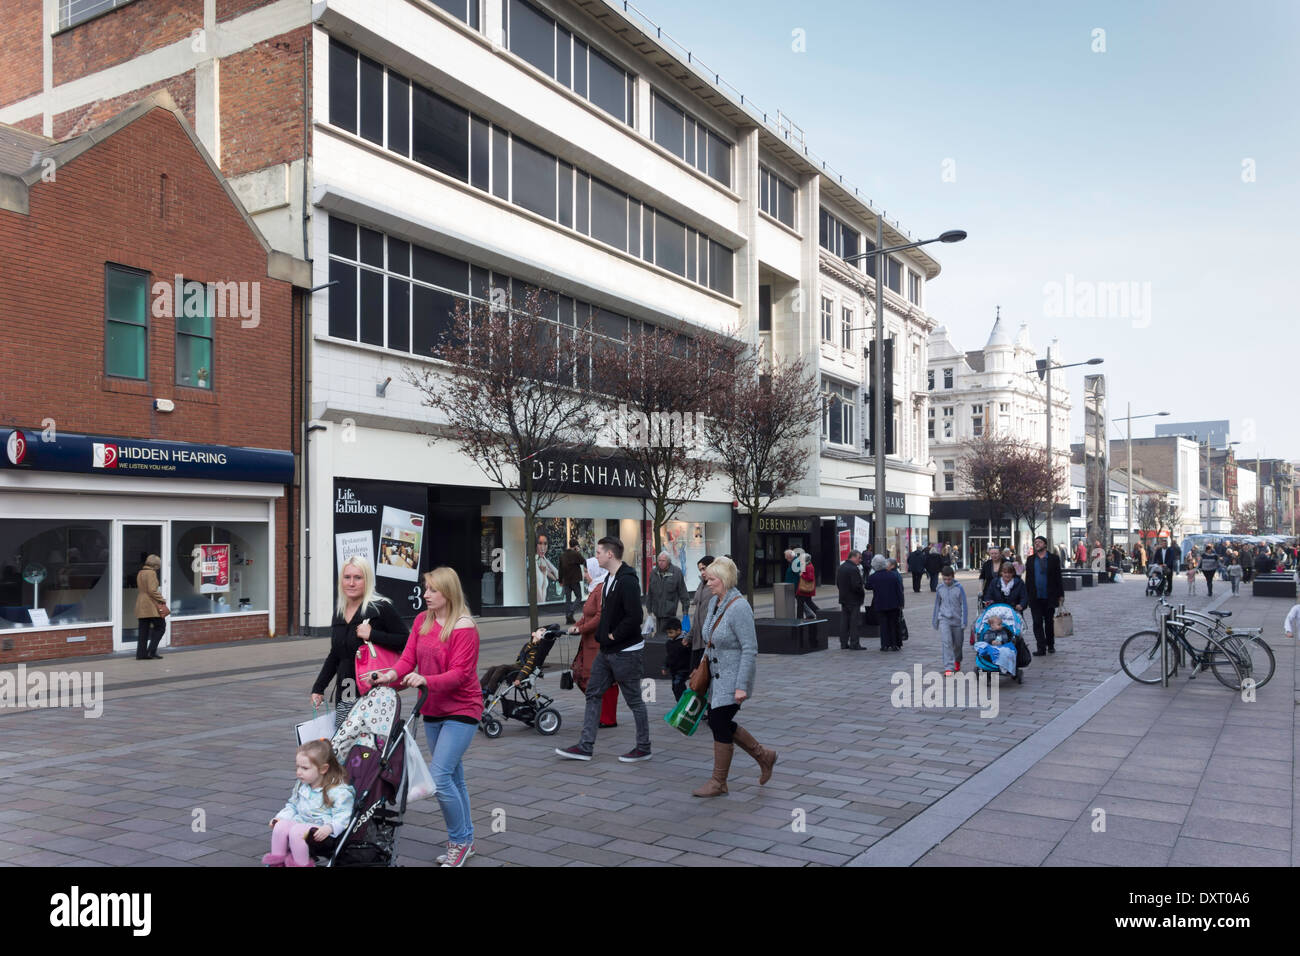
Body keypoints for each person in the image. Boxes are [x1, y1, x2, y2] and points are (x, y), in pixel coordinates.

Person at [369, 566, 482, 868]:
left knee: (439, 778)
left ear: (448, 592)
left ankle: (458, 841)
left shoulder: (464, 627)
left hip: (462, 709)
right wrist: (390, 674)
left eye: (432, 589)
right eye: (425, 588)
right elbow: (407, 659)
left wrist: (425, 681)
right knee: (454, 778)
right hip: (432, 709)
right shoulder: (422, 620)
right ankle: (466, 839)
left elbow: (460, 675)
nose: (426, 594)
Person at [556, 536, 652, 763]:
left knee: (634, 700)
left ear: (610, 554)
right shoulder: (608, 579)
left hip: (626, 651)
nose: (595, 556)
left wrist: (613, 635)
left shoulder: (627, 580)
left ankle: (643, 747)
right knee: (593, 693)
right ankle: (585, 746)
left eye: (599, 552)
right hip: (607, 651)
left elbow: (635, 616)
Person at [691, 556, 776, 797]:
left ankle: (719, 782)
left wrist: (741, 686)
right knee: (721, 723)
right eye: (707, 578)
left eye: (712, 579)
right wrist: (699, 669)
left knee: (718, 722)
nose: (708, 583)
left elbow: (750, 648)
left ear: (725, 580)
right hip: (715, 678)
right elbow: (709, 641)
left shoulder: (739, 607)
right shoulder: (714, 603)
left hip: (733, 678)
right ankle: (764, 756)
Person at [312, 556, 409, 730]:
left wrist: (373, 634)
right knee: (344, 742)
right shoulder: (339, 612)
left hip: (374, 688)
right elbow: (336, 654)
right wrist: (318, 688)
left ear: (367, 580)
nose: (351, 583)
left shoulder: (380, 608)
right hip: (347, 689)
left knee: (371, 746)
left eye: (358, 578)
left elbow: (405, 640)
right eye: (347, 577)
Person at [263, 739, 355, 867]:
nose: (299, 772)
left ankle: (301, 864)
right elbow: (293, 805)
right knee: (279, 827)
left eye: (304, 768)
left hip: (321, 831)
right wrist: (280, 818)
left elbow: (343, 815)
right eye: (298, 767)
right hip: (301, 822)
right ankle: (277, 863)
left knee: (296, 831)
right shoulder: (302, 785)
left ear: (323, 769)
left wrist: (330, 827)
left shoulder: (338, 791)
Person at [569, 559, 620, 729]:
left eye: (586, 571)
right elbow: (588, 615)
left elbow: (600, 617)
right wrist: (577, 626)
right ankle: (599, 712)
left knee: (602, 679)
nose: (584, 575)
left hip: (597, 642)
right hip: (589, 642)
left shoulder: (601, 589)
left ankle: (607, 717)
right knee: (584, 676)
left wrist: (581, 628)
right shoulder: (594, 589)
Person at [482, 628, 556, 695]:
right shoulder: (527, 645)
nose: (544, 631)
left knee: (503, 667)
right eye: (541, 630)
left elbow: (528, 666)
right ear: (533, 634)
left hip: (521, 671)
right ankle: (479, 688)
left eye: (545, 631)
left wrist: (519, 679)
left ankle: (490, 689)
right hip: (517, 667)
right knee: (492, 668)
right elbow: (519, 658)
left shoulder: (536, 650)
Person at [1024, 535, 1064, 657]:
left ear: (1045, 545)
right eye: (1035, 542)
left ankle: (1050, 645)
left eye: (1039, 542)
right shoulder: (1030, 560)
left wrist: (1061, 595)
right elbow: (1028, 579)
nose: (1037, 544)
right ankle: (1041, 647)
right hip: (1035, 597)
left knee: (1049, 622)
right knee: (1037, 623)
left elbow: (1058, 578)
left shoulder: (1053, 559)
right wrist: (1026, 596)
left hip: (1049, 596)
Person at [932, 565, 968, 676]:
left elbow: (964, 605)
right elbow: (937, 604)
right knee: (947, 643)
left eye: (949, 579)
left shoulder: (959, 588)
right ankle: (949, 667)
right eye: (944, 579)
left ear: (953, 576)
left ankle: (957, 660)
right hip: (944, 619)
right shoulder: (940, 588)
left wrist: (964, 621)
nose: (947, 581)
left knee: (958, 644)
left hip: (957, 621)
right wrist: (935, 620)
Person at [645, 551, 689, 640]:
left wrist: (685, 612)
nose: (660, 563)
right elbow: (650, 592)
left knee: (668, 637)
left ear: (668, 561)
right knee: (659, 636)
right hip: (657, 612)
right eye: (659, 560)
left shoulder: (676, 572)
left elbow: (683, 591)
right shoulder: (654, 573)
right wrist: (649, 610)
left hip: (670, 613)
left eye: (663, 561)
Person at [866, 554, 904, 651]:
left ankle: (885, 645)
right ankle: (894, 644)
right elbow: (899, 590)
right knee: (893, 623)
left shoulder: (873, 577)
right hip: (894, 604)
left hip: (880, 603)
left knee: (883, 625)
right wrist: (901, 603)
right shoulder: (893, 575)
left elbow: (867, 586)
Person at [134, 554, 167, 661]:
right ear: (156, 565)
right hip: (150, 604)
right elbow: (152, 590)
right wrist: (162, 599)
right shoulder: (151, 573)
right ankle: (151, 651)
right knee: (161, 626)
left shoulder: (141, 572)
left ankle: (141, 653)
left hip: (141, 603)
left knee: (143, 630)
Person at [687, 555, 716, 673]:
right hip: (697, 641)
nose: (702, 572)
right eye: (700, 570)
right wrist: (690, 636)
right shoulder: (701, 584)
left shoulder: (715, 585)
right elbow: (697, 613)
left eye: (704, 568)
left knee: (705, 676)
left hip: (708, 640)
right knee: (696, 677)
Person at [836, 549, 866, 650]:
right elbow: (856, 586)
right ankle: (854, 643)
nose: (860, 560)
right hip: (854, 600)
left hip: (844, 599)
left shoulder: (841, 567)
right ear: (853, 557)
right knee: (854, 622)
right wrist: (862, 593)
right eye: (859, 558)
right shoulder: (853, 569)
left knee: (844, 622)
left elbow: (838, 584)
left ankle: (843, 643)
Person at [661, 616, 691, 701]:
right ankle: (680, 703)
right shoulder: (669, 643)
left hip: (683, 669)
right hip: (674, 670)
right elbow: (668, 656)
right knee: (675, 688)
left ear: (679, 631)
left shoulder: (685, 641)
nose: (669, 635)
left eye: (671, 632)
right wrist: (665, 666)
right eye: (668, 633)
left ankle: (683, 702)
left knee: (678, 685)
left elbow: (690, 654)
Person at [559, 538, 585, 624]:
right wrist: (578, 552)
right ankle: (571, 612)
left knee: (568, 599)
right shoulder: (576, 554)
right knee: (579, 597)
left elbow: (560, 569)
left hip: (566, 580)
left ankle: (568, 619)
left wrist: (560, 580)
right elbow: (583, 561)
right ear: (576, 546)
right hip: (574, 580)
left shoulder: (562, 555)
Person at [531, 533, 559, 606]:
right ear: (535, 545)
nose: (542, 547)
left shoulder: (543, 560)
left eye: (545, 544)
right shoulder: (533, 562)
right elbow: (541, 601)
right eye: (540, 543)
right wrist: (544, 575)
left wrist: (545, 560)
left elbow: (557, 576)